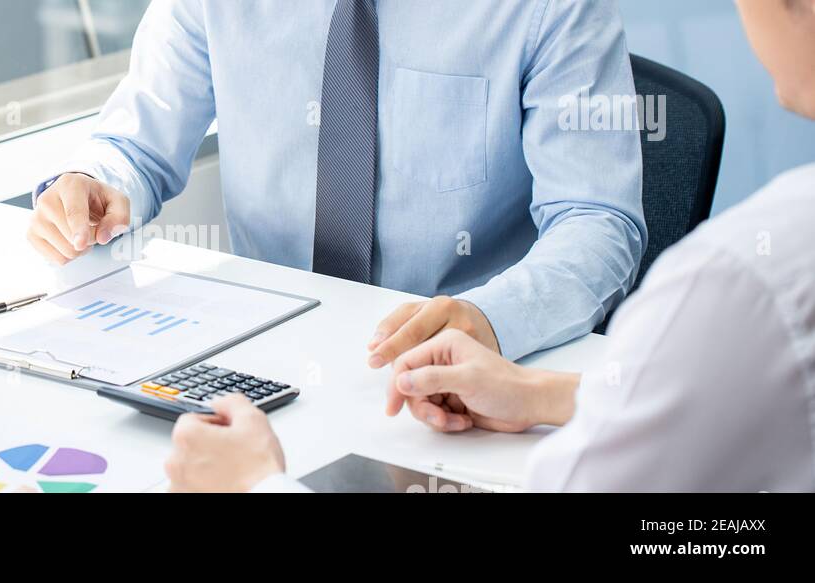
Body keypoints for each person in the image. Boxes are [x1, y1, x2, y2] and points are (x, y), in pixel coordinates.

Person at [164, 0, 815, 493]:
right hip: (304, 387)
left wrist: (255, 487)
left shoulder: (748, 283)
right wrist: (541, 393)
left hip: (430, 431)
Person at [28, 0, 647, 366]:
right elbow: (136, 143)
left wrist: (492, 319)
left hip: (462, 372)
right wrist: (96, 183)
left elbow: (597, 219)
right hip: (266, 352)